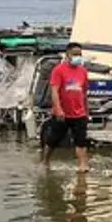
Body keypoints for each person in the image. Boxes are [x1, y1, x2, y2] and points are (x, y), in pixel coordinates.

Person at [42, 42, 90, 172]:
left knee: (81, 140)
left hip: (79, 113)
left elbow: (84, 93)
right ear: (67, 55)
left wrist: (87, 111)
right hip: (62, 113)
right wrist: (58, 109)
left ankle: (82, 165)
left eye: (79, 54)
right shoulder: (58, 70)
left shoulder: (83, 72)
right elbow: (54, 91)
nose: (77, 57)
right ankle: (45, 161)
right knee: (53, 140)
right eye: (75, 54)